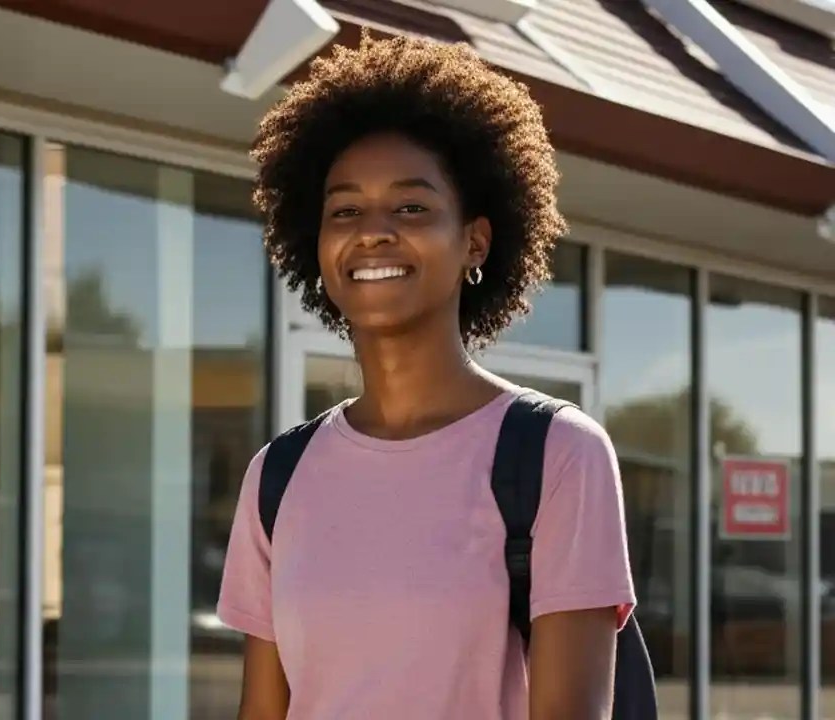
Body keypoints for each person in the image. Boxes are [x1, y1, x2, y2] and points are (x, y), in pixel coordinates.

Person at [217, 32, 636, 720]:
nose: (374, 230)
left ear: (475, 239)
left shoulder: (558, 455)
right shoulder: (277, 476)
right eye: (345, 209)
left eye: (411, 206)